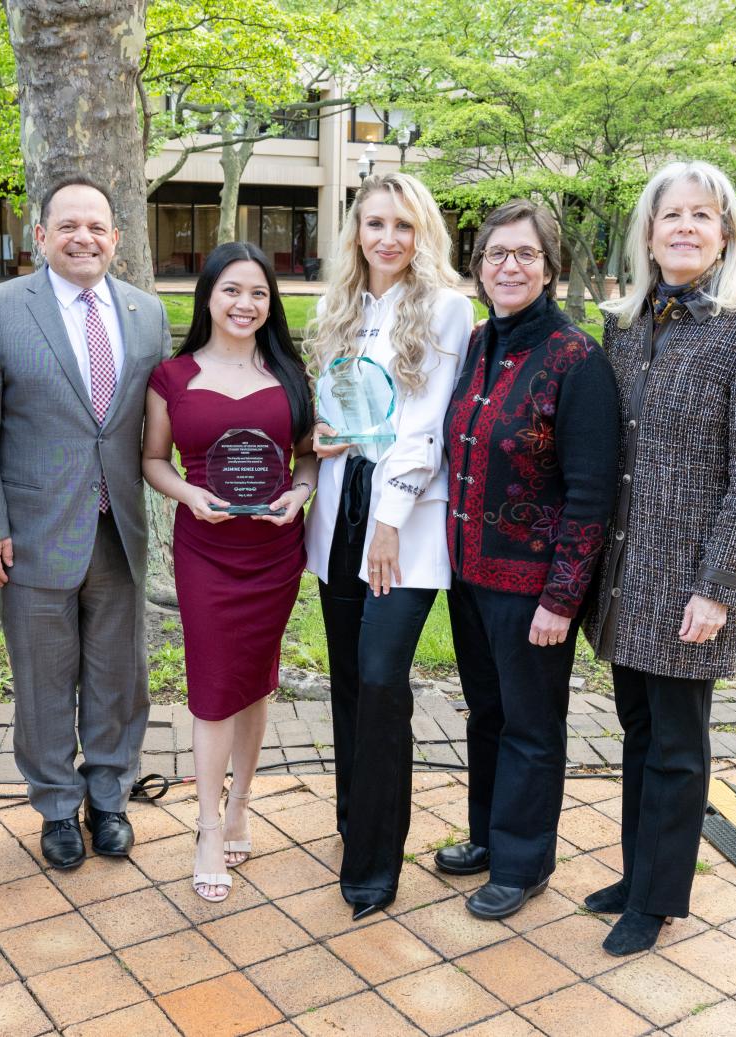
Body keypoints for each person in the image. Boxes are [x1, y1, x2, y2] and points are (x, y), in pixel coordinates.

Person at [585, 160, 736, 955]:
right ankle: (639, 872)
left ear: (726, 233)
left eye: (701, 216)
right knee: (638, 731)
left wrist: (719, 588)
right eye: (670, 214)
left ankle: (659, 899)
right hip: (625, 574)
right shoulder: (627, 324)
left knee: (677, 743)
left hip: (689, 581)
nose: (683, 227)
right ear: (648, 230)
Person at [0, 176, 172, 870]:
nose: (83, 237)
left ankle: (107, 796)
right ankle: (56, 804)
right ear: (41, 234)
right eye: (68, 225)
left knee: (119, 673)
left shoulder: (146, 314)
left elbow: (163, 419)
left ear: (116, 238)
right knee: (42, 677)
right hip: (31, 531)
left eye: (96, 226)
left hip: (118, 527)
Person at [435, 200, 618, 921]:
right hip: (470, 576)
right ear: (478, 267)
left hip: (533, 587)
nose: (508, 267)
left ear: (550, 266)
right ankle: (487, 836)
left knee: (532, 724)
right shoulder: (480, 342)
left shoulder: (577, 360)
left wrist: (561, 598)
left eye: (525, 255)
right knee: (487, 713)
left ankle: (523, 861)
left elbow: (590, 493)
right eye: (495, 254)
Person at [305, 172, 473, 920]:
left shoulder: (444, 308)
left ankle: (376, 858)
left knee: (380, 680)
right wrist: (318, 436)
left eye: (404, 225)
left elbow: (427, 428)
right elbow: (339, 407)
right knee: (347, 683)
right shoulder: (336, 308)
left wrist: (386, 523)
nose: (388, 238)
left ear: (423, 233)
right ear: (356, 231)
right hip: (338, 513)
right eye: (375, 224)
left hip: (399, 527)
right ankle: (352, 820)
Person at [142, 242, 317, 902]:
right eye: (232, 291)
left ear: (270, 304)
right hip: (207, 551)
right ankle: (208, 826)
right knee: (215, 685)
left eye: (259, 294)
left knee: (256, 681)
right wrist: (190, 495)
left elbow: (308, 459)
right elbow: (154, 460)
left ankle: (242, 801)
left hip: (274, 552)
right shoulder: (173, 376)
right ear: (208, 297)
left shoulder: (290, 374)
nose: (245, 304)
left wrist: (299, 496)